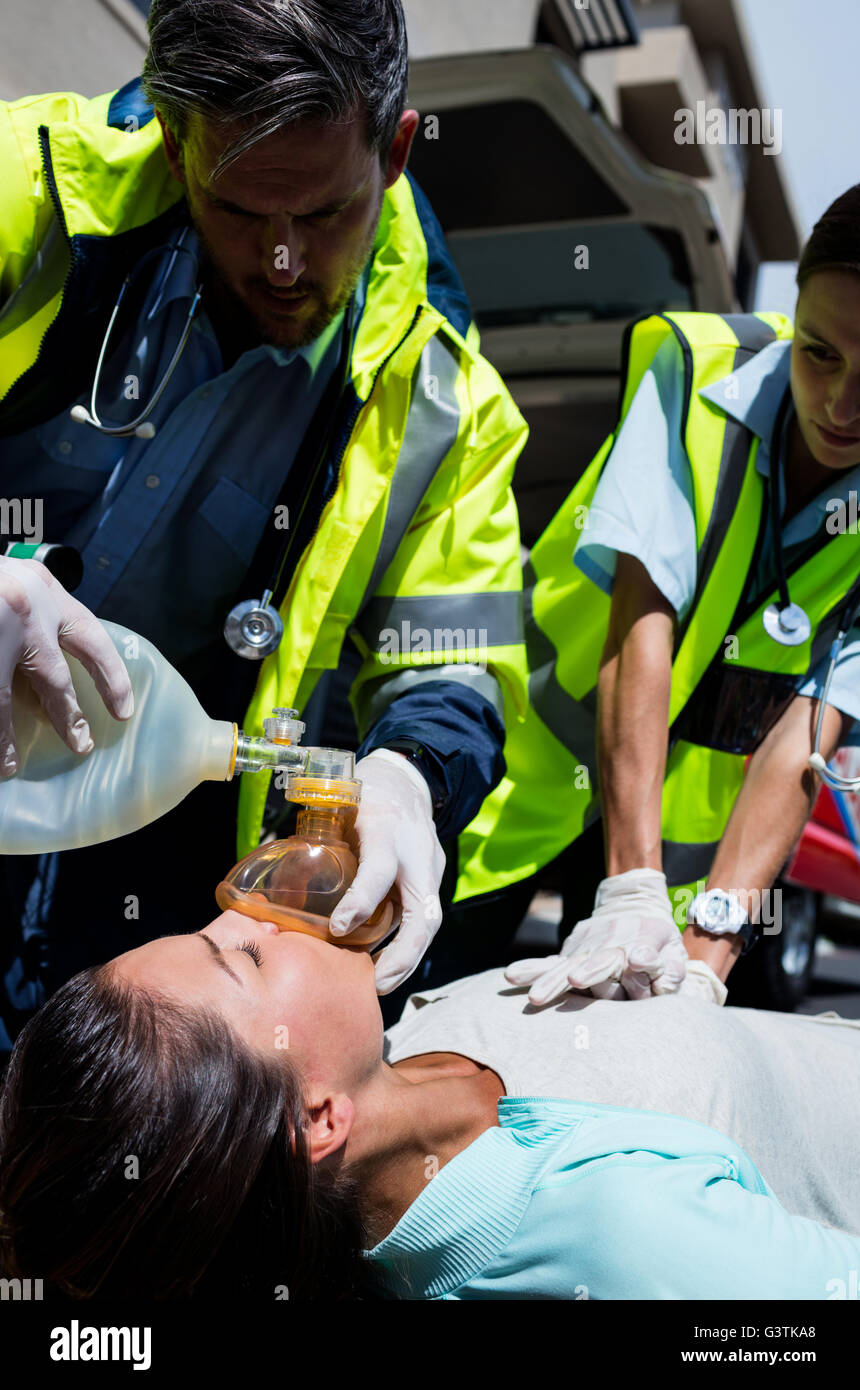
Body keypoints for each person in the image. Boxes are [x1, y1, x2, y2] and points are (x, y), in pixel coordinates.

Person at [0, 0, 528, 1061]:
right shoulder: (28, 191)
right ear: (167, 130)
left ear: (397, 147)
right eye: (238, 211)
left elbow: (454, 662)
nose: (283, 262)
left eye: (325, 214)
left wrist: (408, 776)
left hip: (145, 845)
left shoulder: (443, 402)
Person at [447, 181, 860, 1007]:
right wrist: (629, 890)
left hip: (684, 839)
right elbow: (641, 623)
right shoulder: (695, 368)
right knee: (434, 1014)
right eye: (820, 352)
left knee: (633, 1053)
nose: (844, 405)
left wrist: (710, 951)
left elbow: (806, 738)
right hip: (527, 774)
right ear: (793, 310)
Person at [1, 910, 860, 1301]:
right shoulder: (613, 1235)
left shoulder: (407, 1044)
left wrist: (698, 947)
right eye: (245, 960)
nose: (250, 911)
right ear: (316, 1120)